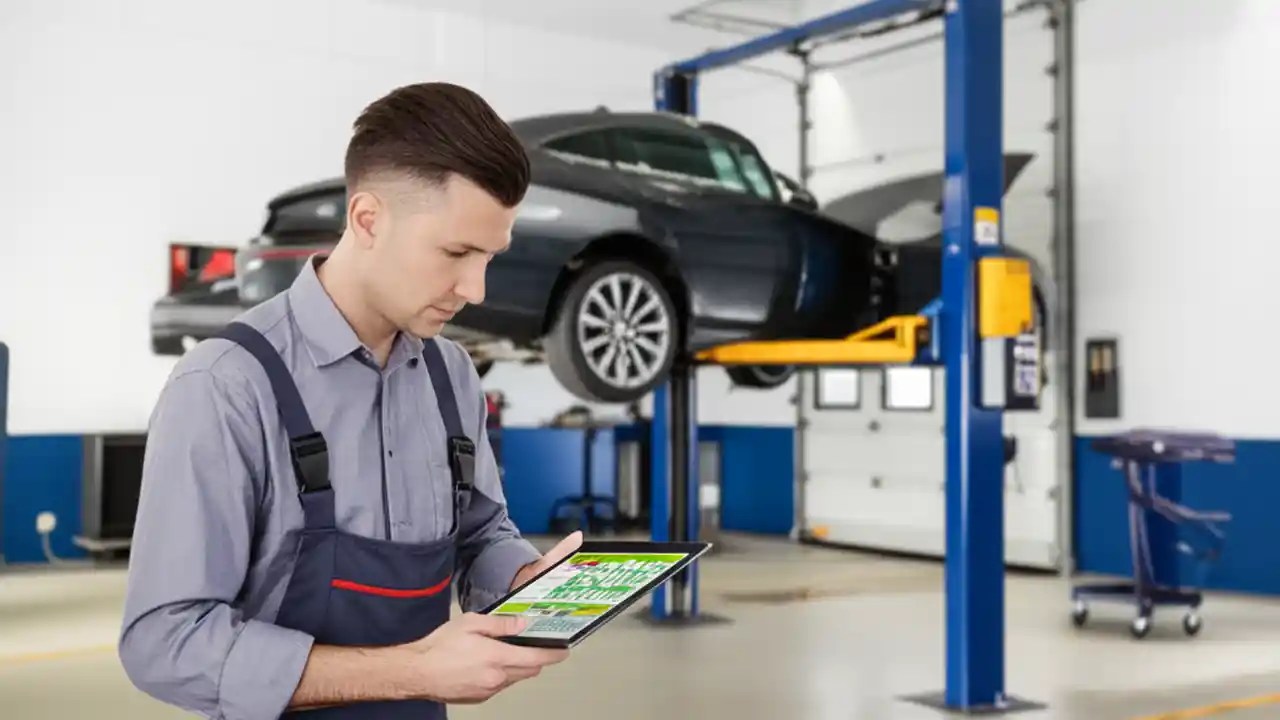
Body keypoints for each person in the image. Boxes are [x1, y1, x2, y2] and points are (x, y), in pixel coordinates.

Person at [119, 82, 581, 719]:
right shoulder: (227, 386)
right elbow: (165, 641)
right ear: (367, 219)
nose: (474, 288)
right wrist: (410, 671)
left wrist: (522, 582)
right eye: (455, 252)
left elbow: (481, 531)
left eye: (490, 257)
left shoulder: (452, 374)